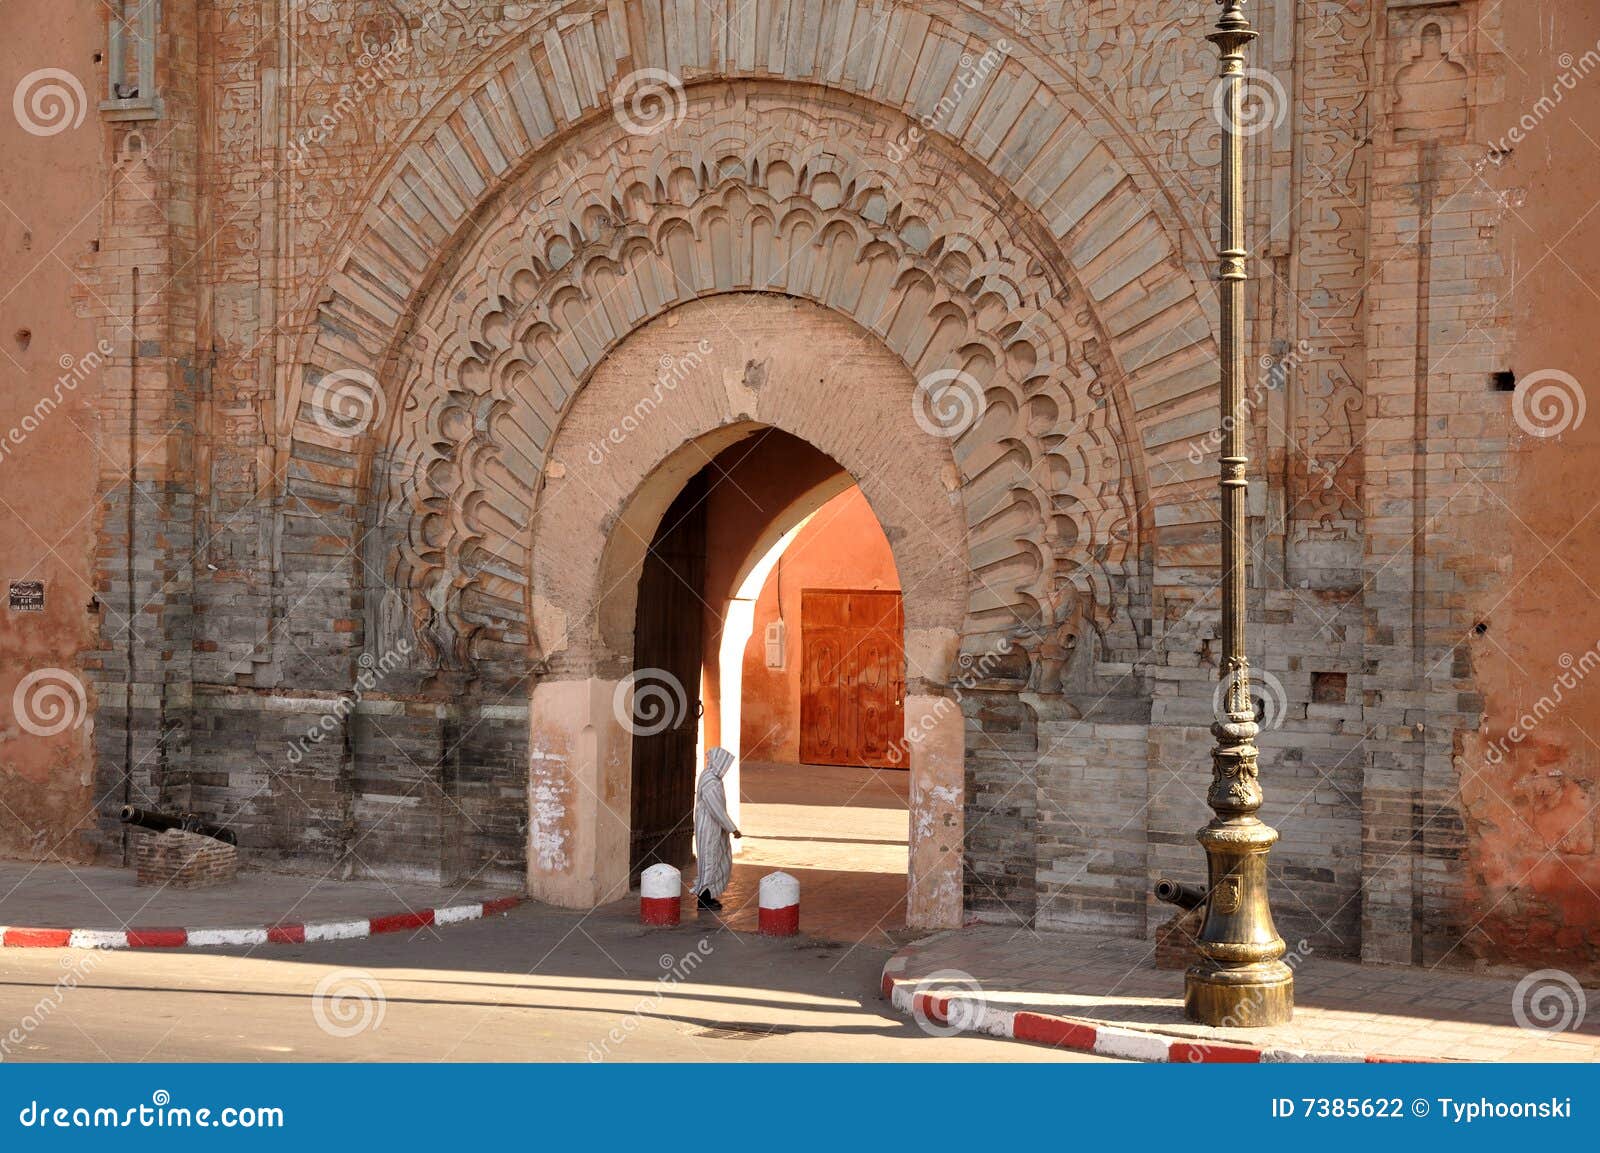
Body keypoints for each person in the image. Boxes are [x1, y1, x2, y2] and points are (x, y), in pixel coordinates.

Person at [693, 746, 741, 910]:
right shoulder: (710, 781)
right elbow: (716, 809)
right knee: (709, 861)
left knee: (716, 859)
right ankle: (704, 899)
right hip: (709, 826)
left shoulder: (711, 777)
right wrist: (732, 828)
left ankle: (708, 895)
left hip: (714, 826)